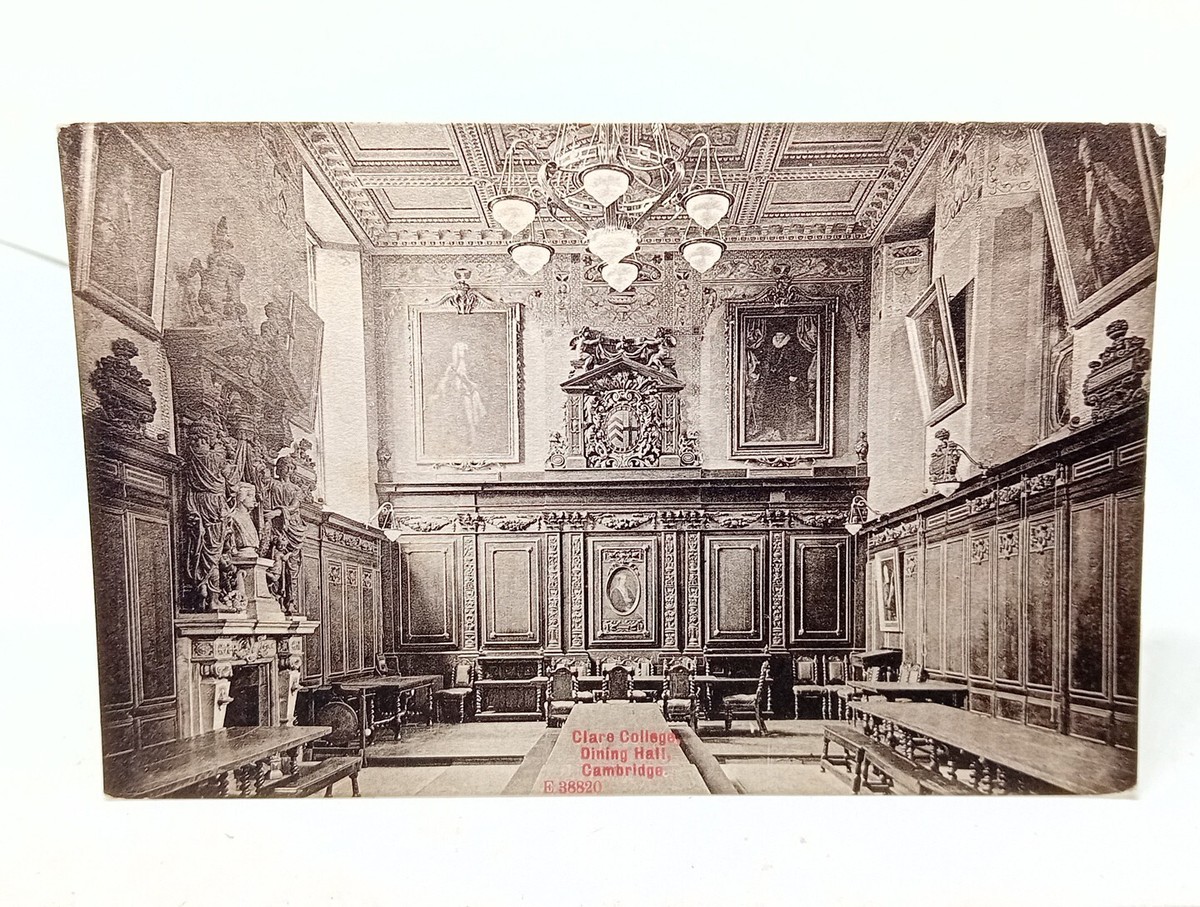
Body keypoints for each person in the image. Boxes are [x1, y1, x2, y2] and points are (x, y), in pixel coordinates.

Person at [1077, 132, 1144, 291]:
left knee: (1117, 244)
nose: (1088, 152)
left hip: (1107, 215)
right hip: (1093, 222)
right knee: (1101, 253)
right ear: (1080, 155)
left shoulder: (1100, 168)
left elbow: (1115, 184)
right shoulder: (1080, 180)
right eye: (1084, 150)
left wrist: (1131, 196)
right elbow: (1083, 210)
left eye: (1089, 148)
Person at [432, 341, 487, 446]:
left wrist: (467, 382)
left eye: (462, 352)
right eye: (459, 352)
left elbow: (472, 384)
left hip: (466, 395)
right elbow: (446, 381)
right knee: (458, 419)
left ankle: (473, 441)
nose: (458, 355)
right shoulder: (453, 368)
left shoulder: (466, 367)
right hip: (457, 396)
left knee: (470, 419)